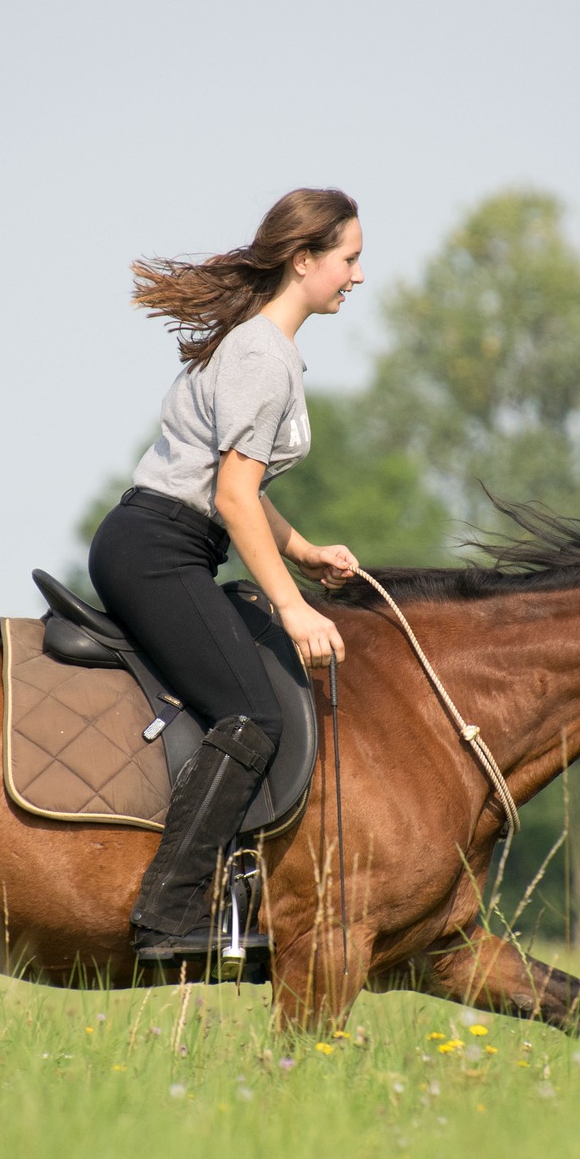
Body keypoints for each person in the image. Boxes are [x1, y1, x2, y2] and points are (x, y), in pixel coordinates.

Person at [89, 187, 364, 962]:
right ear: (305, 260)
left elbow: (237, 489)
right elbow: (232, 496)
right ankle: (169, 912)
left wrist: (304, 550)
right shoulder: (260, 355)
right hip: (157, 549)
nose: (358, 276)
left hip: (171, 541)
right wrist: (296, 608)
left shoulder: (264, 349)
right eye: (349, 259)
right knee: (254, 717)